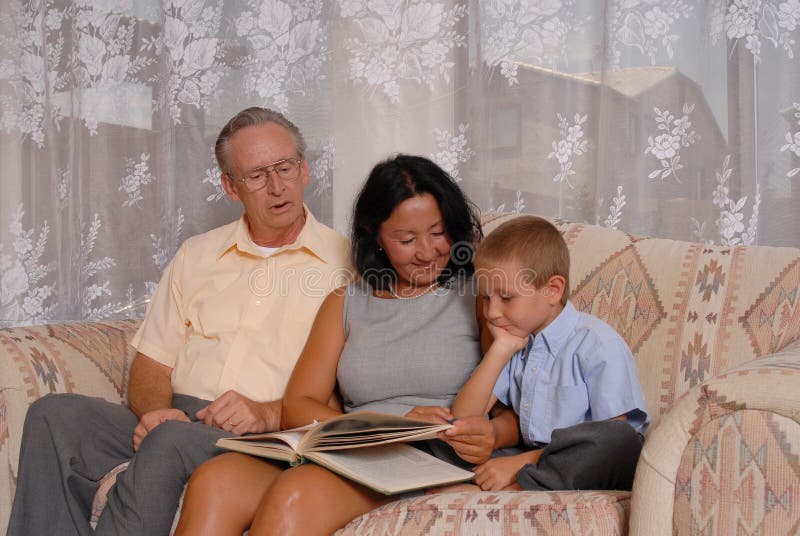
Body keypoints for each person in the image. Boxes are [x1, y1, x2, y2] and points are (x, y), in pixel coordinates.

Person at [8, 107, 353, 536]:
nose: (277, 186)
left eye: (285, 168)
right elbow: (152, 365)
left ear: (304, 170)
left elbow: (351, 398)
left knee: (169, 443)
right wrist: (157, 412)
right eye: (257, 175)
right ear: (230, 186)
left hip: (268, 434)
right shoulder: (197, 254)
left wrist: (268, 413)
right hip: (181, 419)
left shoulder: (348, 266)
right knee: (53, 416)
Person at [174, 155, 520, 536]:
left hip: (427, 457)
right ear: (377, 237)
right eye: (406, 240)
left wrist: (495, 434)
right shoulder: (346, 301)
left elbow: (520, 403)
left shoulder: (481, 296)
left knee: (297, 493)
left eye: (438, 233)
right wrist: (382, 428)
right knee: (215, 479)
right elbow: (298, 406)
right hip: (352, 449)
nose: (426, 251)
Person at [451, 215, 649, 492]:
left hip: (583, 460)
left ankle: (518, 484)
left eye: (506, 298)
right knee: (447, 439)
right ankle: (510, 482)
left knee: (618, 440)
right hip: (528, 456)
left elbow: (613, 434)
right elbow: (463, 418)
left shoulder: (596, 344)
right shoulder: (515, 341)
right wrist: (500, 350)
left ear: (552, 290)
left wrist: (522, 463)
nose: (491, 313)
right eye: (486, 298)